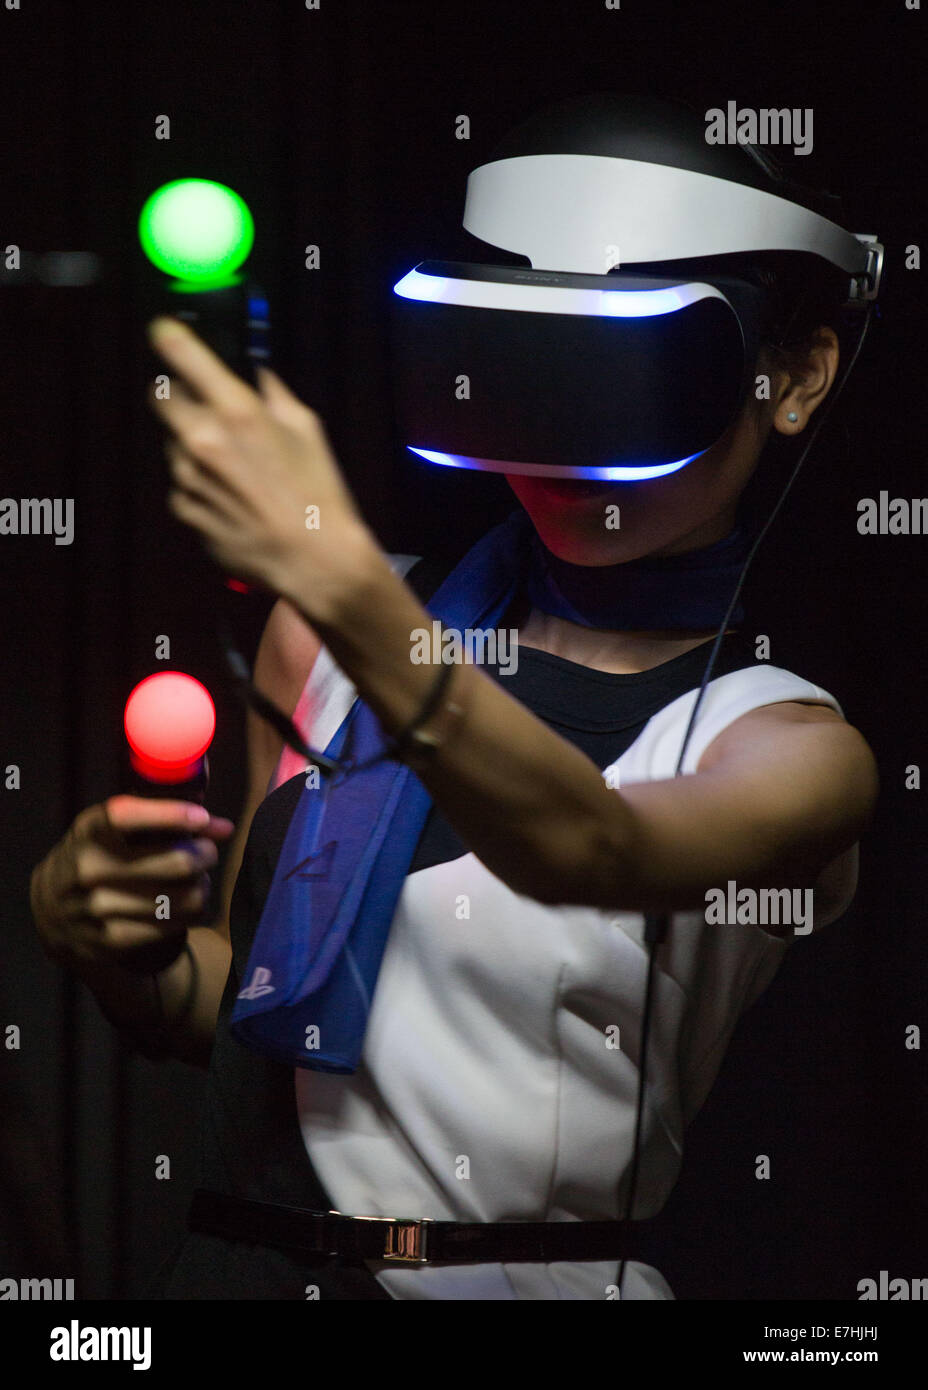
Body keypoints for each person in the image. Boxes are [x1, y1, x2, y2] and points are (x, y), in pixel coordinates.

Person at [29, 96, 879, 1300]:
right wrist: (126, 954)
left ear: (789, 377)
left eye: (630, 377)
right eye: (537, 369)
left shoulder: (784, 744)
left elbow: (591, 844)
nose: (571, 451)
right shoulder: (322, 636)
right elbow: (268, 999)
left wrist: (349, 591)